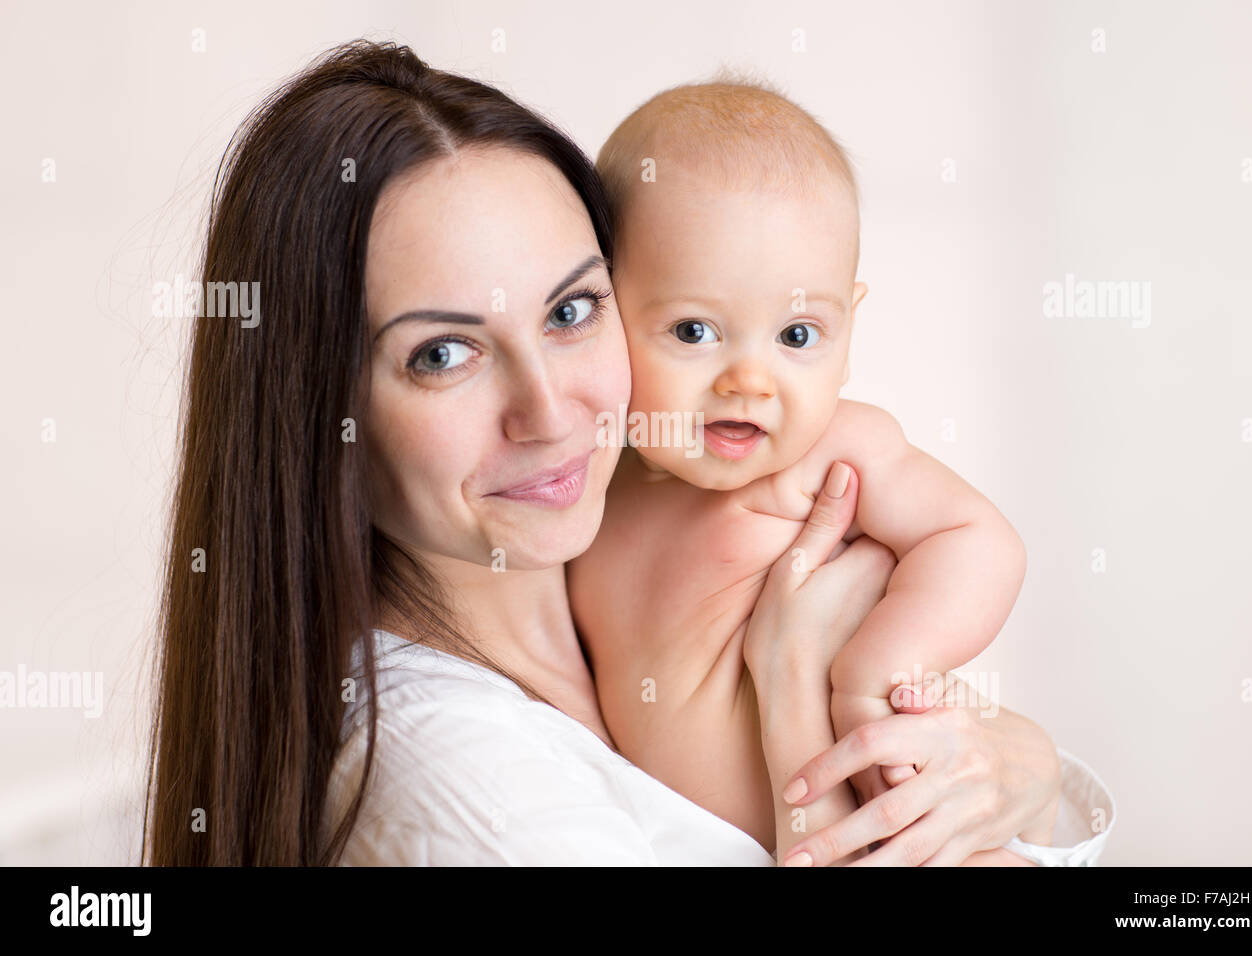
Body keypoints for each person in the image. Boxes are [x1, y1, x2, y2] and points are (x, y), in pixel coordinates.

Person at [144, 40, 1114, 866]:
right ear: (319, 406)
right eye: (443, 353)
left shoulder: (619, 552)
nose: (552, 407)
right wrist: (788, 694)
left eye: (570, 311)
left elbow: (971, 570)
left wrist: (1017, 766)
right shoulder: (468, 788)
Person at [570, 78, 1029, 859]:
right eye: (693, 329)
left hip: (895, 831)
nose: (750, 379)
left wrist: (881, 662)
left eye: (797, 336)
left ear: (850, 326)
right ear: (604, 308)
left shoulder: (837, 453)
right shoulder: (587, 488)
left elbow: (980, 539)